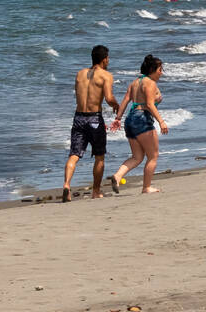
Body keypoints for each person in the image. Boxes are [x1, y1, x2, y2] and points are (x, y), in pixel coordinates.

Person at [62, 44, 116, 202]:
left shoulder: (79, 74)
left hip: (78, 117)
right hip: (94, 119)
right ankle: (96, 191)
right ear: (104, 59)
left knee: (74, 155)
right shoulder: (106, 75)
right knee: (99, 157)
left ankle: (66, 185)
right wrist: (116, 105)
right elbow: (108, 98)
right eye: (108, 58)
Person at [113, 55, 170, 194]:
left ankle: (118, 176)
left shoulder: (135, 82)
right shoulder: (149, 83)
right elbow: (150, 105)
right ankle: (146, 187)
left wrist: (118, 118)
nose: (161, 72)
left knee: (137, 157)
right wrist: (161, 121)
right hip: (142, 118)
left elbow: (126, 100)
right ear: (152, 69)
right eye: (160, 69)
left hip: (130, 119)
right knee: (153, 156)